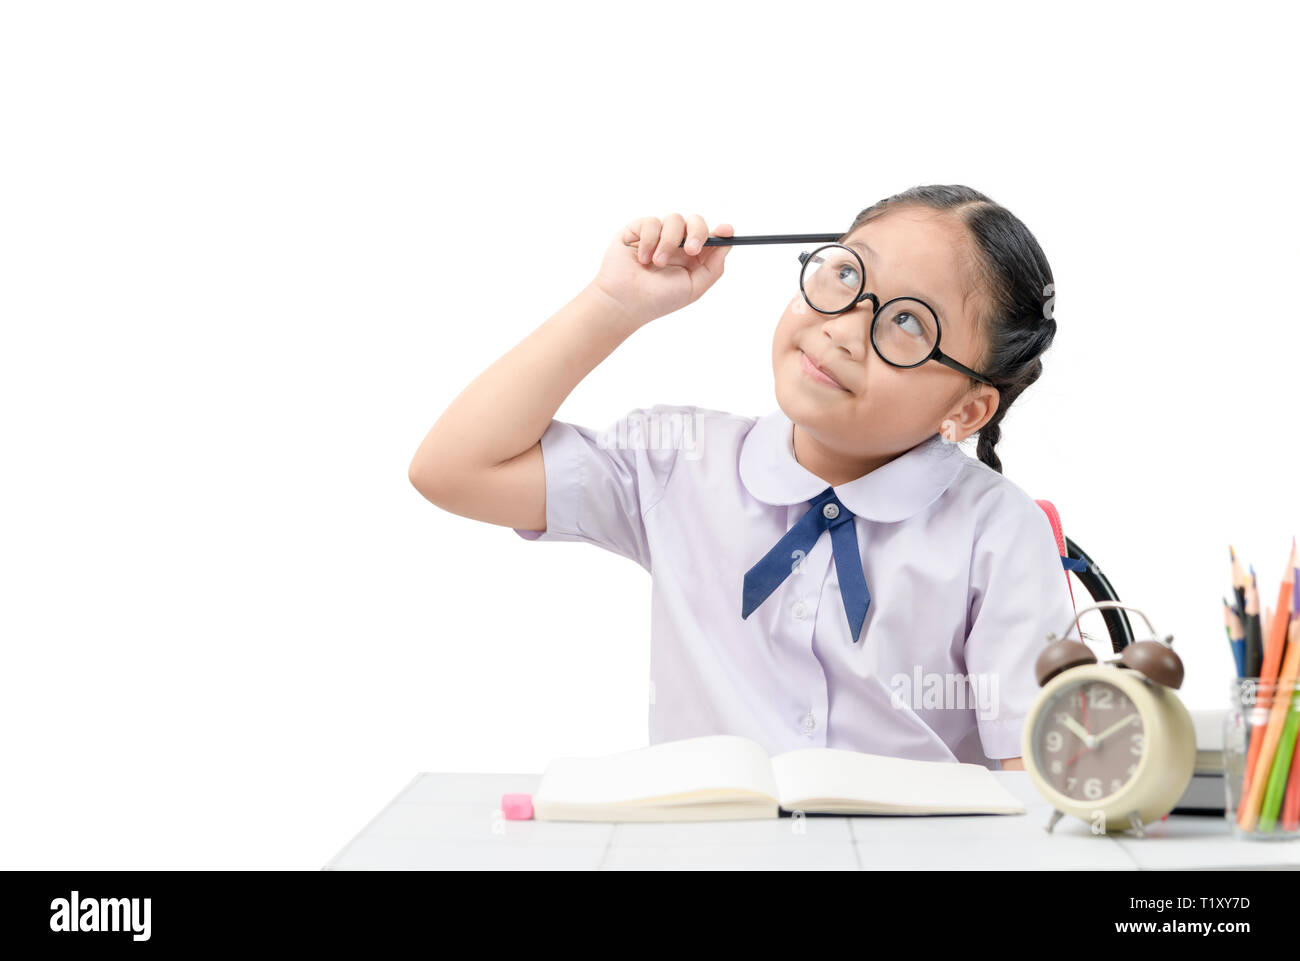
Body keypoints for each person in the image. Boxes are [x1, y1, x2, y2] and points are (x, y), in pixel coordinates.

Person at [409, 185, 1080, 769]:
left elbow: (1037, 785)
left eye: (907, 320)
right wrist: (614, 302)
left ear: (966, 409)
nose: (844, 329)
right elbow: (453, 469)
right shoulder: (675, 461)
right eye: (847, 277)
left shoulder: (997, 532)